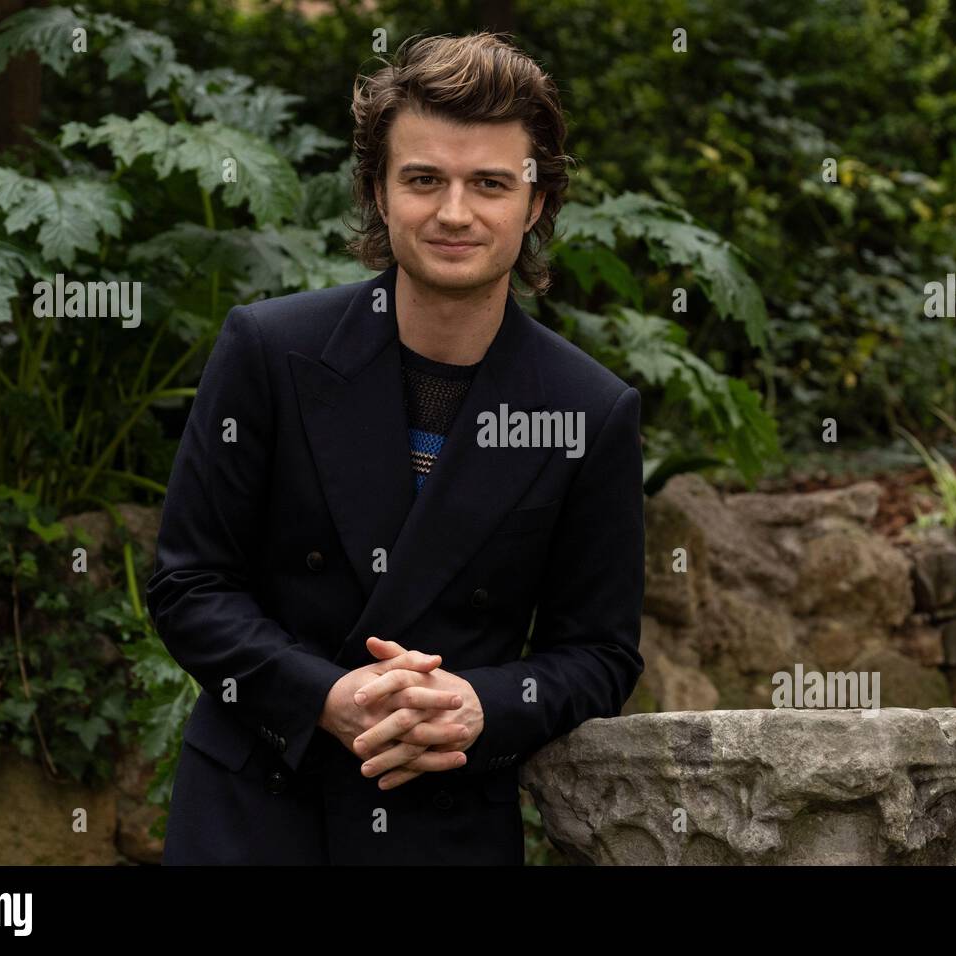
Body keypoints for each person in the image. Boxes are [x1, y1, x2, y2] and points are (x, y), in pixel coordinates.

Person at [146, 31, 645, 865]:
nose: (454, 212)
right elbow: (190, 584)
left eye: (490, 183)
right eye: (423, 180)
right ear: (379, 194)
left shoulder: (591, 410)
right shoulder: (269, 352)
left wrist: (483, 707)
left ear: (538, 204)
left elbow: (599, 653)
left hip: (442, 818)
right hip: (253, 809)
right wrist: (325, 694)